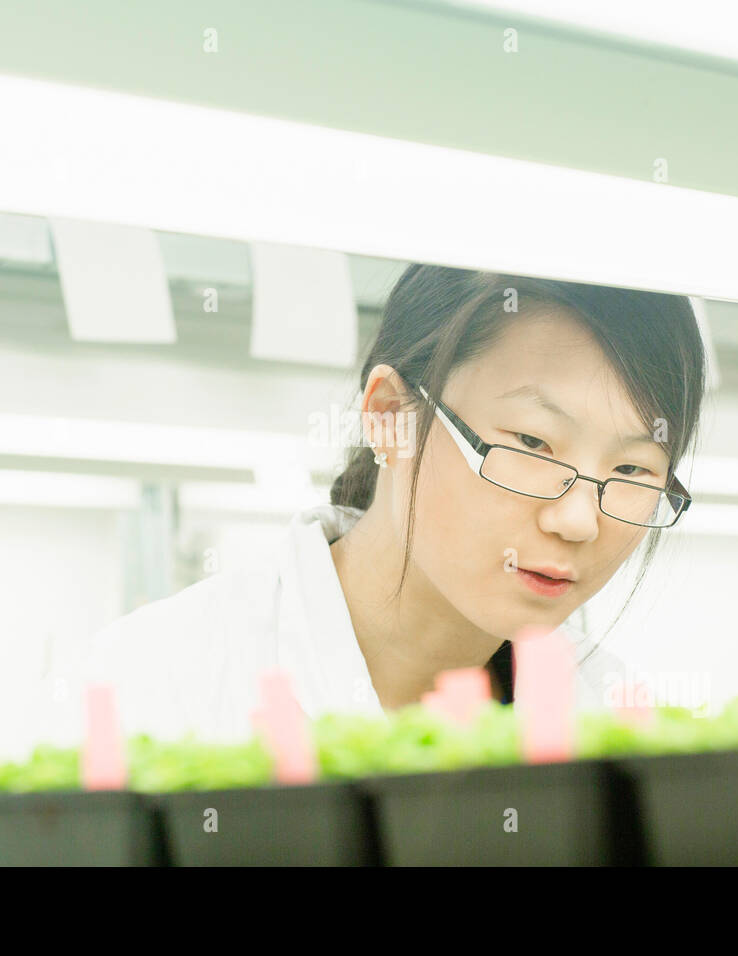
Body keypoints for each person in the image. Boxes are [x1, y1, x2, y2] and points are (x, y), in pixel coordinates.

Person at [81, 265, 706, 742]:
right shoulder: (151, 682)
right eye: (533, 444)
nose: (578, 521)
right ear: (390, 417)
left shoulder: (618, 723)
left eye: (631, 469)